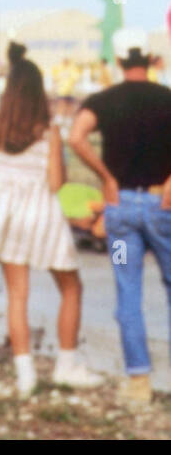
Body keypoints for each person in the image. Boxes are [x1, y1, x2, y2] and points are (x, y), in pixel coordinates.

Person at [0, 43, 102, 395]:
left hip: (7, 217)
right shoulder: (48, 132)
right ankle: (66, 364)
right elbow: (56, 183)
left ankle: (26, 375)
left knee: (18, 296)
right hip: (42, 215)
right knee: (71, 287)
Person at [68, 28, 171, 405]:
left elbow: (75, 137)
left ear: (118, 60)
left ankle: (139, 382)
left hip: (121, 208)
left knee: (128, 293)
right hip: (164, 207)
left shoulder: (103, 100)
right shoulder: (166, 98)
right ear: (150, 58)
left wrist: (106, 177)